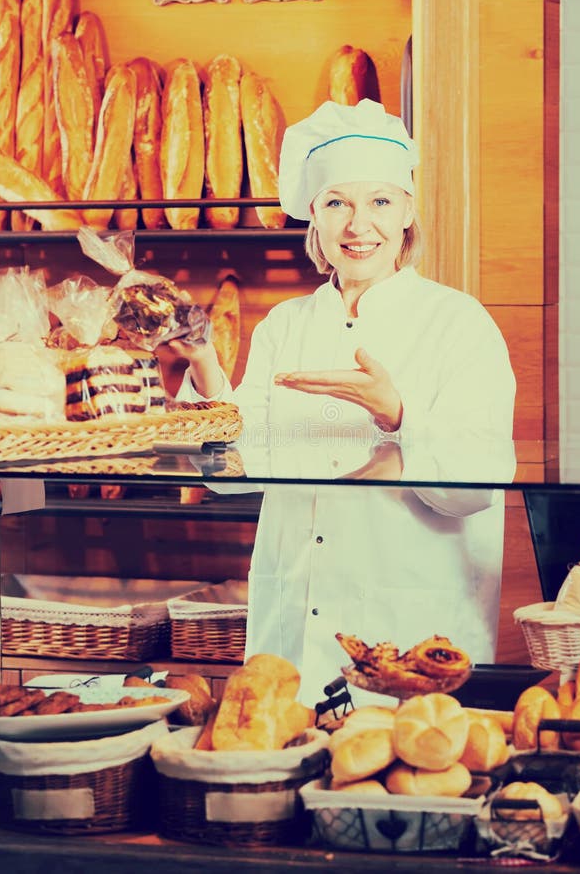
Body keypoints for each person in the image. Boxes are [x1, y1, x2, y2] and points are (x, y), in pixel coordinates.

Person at [170, 99, 516, 703]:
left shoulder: (458, 323)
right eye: (337, 204)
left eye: (380, 201)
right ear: (314, 218)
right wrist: (201, 362)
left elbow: (477, 489)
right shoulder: (286, 324)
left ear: (407, 210)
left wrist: (400, 417)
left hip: (411, 629)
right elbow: (228, 474)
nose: (359, 226)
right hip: (295, 633)